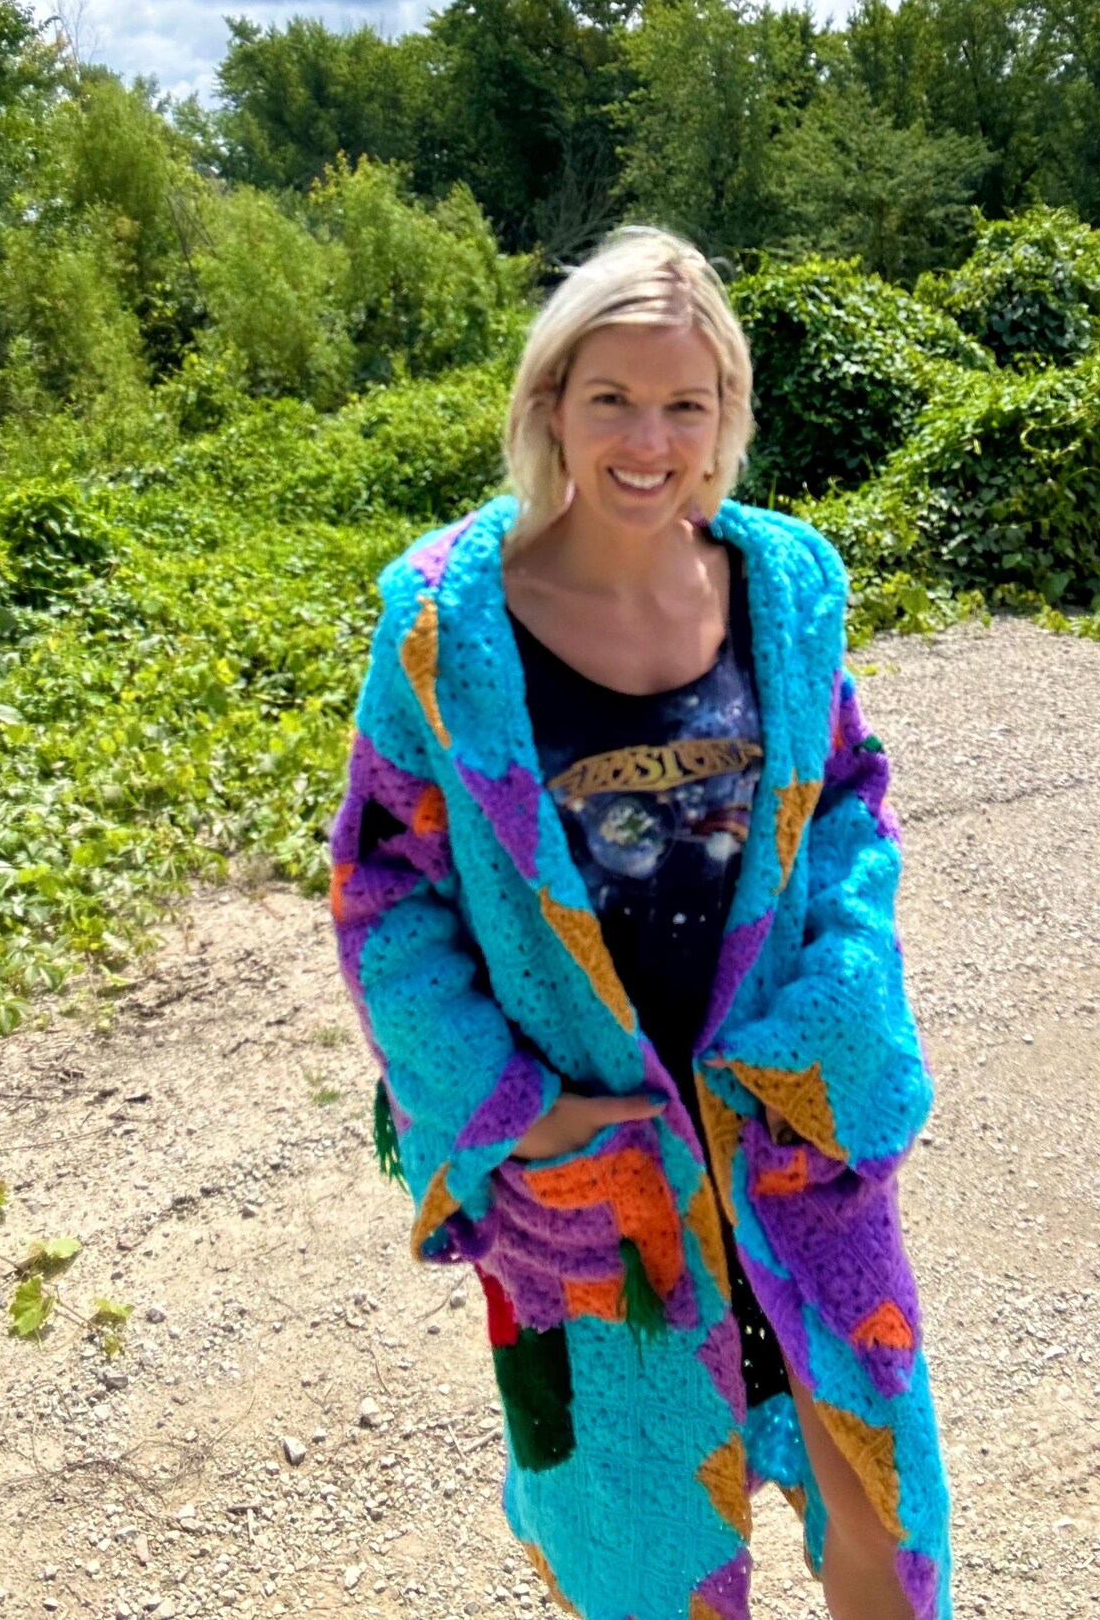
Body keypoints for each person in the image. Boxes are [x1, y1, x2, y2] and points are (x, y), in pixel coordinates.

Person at [331, 227, 951, 1620]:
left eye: (686, 402)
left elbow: (848, 800)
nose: (649, 440)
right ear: (551, 402)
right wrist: (512, 1111)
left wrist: (848, 999)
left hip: (785, 1132)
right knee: (646, 1559)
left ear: (727, 414)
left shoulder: (786, 589)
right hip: (602, 1184)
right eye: (612, 397)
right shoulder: (445, 627)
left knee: (883, 1506)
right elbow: (386, 888)